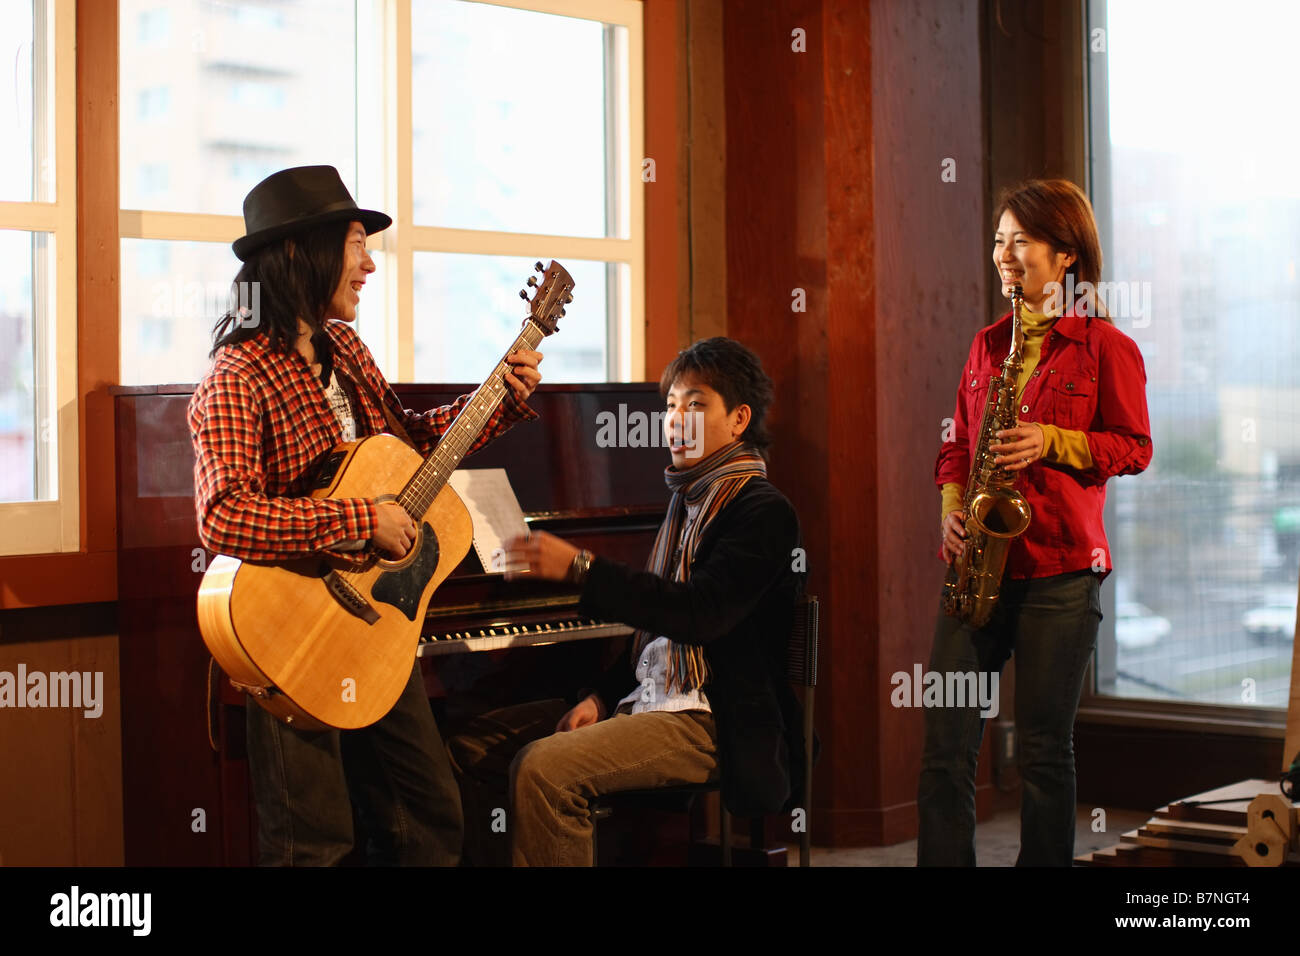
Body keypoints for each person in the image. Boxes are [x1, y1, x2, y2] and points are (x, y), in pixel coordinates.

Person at [188, 165, 544, 865]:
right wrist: (358, 523)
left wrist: (495, 399)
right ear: (300, 252)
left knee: (429, 816)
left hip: (374, 628)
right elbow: (225, 515)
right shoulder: (234, 376)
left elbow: (403, 448)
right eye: (357, 244)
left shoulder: (345, 349)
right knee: (313, 845)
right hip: (288, 633)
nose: (370, 264)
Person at [447, 336, 805, 866]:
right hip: (649, 700)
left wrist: (580, 568)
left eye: (697, 404)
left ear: (739, 420)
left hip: (711, 718)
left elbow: (697, 614)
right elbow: (655, 644)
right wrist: (597, 697)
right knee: (471, 744)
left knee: (545, 770)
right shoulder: (686, 502)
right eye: (670, 406)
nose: (677, 420)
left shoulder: (763, 511)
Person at [917, 179, 1153, 866]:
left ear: (1066, 254)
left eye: (1022, 240)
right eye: (999, 240)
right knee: (943, 748)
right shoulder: (988, 345)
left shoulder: (1106, 346)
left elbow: (1134, 447)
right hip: (976, 568)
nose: (1005, 255)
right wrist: (952, 513)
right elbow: (957, 445)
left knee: (1046, 755)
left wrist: (1053, 440)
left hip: (1062, 574)